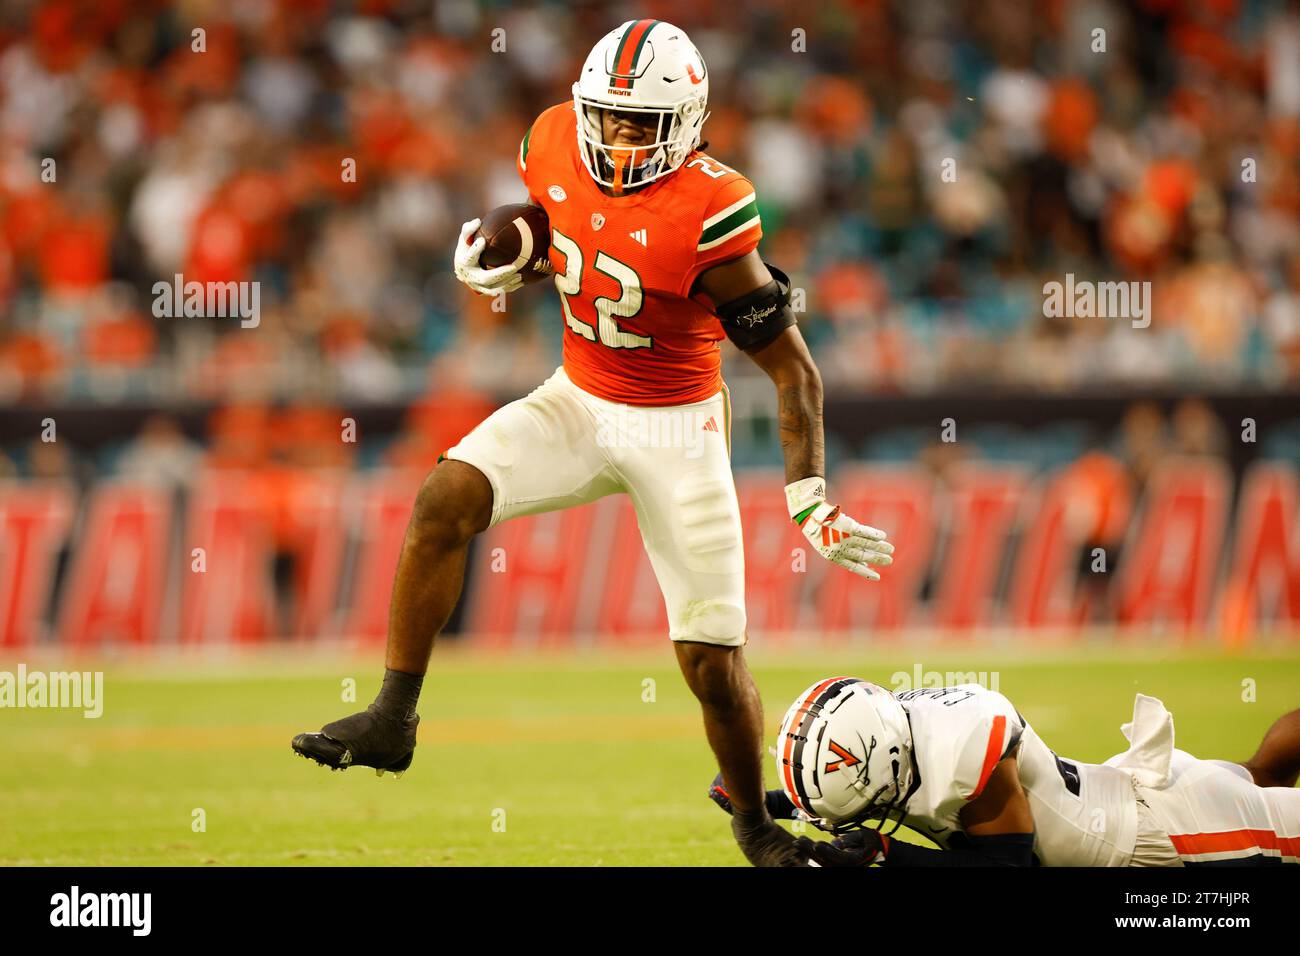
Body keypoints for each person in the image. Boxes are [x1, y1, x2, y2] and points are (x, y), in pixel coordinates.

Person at [292, 20, 894, 867]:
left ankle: (756, 829)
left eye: (640, 123)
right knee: (443, 498)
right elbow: (568, 230)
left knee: (712, 664)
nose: (618, 136)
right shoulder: (548, 141)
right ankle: (394, 716)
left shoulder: (711, 209)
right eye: (608, 116)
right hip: (577, 398)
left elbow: (794, 372)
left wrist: (808, 496)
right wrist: (516, 252)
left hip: (680, 428)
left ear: (685, 122)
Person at [710, 678, 1300, 866]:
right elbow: (850, 794)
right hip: (1133, 794)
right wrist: (756, 804)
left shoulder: (968, 755)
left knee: (1267, 794)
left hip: (1168, 840)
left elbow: (1003, 869)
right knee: (1262, 771)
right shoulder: (896, 733)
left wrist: (886, 853)